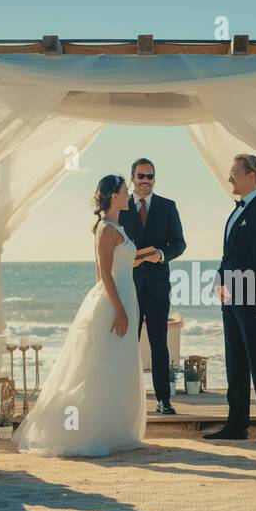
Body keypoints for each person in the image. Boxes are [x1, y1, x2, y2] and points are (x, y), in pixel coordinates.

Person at [16, 175, 146, 456]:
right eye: (125, 191)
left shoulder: (115, 227)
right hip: (116, 301)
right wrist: (119, 309)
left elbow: (114, 269)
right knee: (97, 366)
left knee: (116, 365)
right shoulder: (106, 229)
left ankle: (112, 429)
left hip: (125, 296)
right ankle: (78, 430)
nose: (129, 194)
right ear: (114, 196)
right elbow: (105, 275)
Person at [204, 154, 256, 445]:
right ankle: (236, 424)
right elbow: (231, 255)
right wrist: (220, 279)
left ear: (251, 175)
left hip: (250, 294)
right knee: (234, 359)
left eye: (234, 172)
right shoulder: (237, 211)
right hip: (230, 295)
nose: (230, 178)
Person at [117, 158, 186, 415]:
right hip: (128, 286)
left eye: (150, 176)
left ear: (154, 178)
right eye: (140, 176)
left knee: (159, 345)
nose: (145, 180)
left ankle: (163, 400)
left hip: (158, 288)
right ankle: (125, 400)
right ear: (132, 178)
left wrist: (161, 254)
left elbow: (179, 244)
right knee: (126, 344)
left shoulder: (168, 207)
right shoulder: (121, 208)